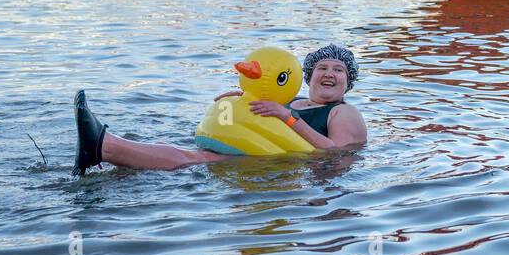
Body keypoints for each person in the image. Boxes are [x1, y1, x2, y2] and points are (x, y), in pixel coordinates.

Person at [72, 45, 368, 173]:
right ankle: (109, 154)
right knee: (195, 155)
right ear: (309, 75)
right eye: (322, 67)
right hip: (262, 155)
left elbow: (335, 154)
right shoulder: (293, 102)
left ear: (348, 81)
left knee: (200, 158)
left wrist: (288, 119)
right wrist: (242, 98)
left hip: (286, 167)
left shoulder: (344, 113)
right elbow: (265, 122)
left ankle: (103, 147)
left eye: (339, 70)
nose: (329, 73)